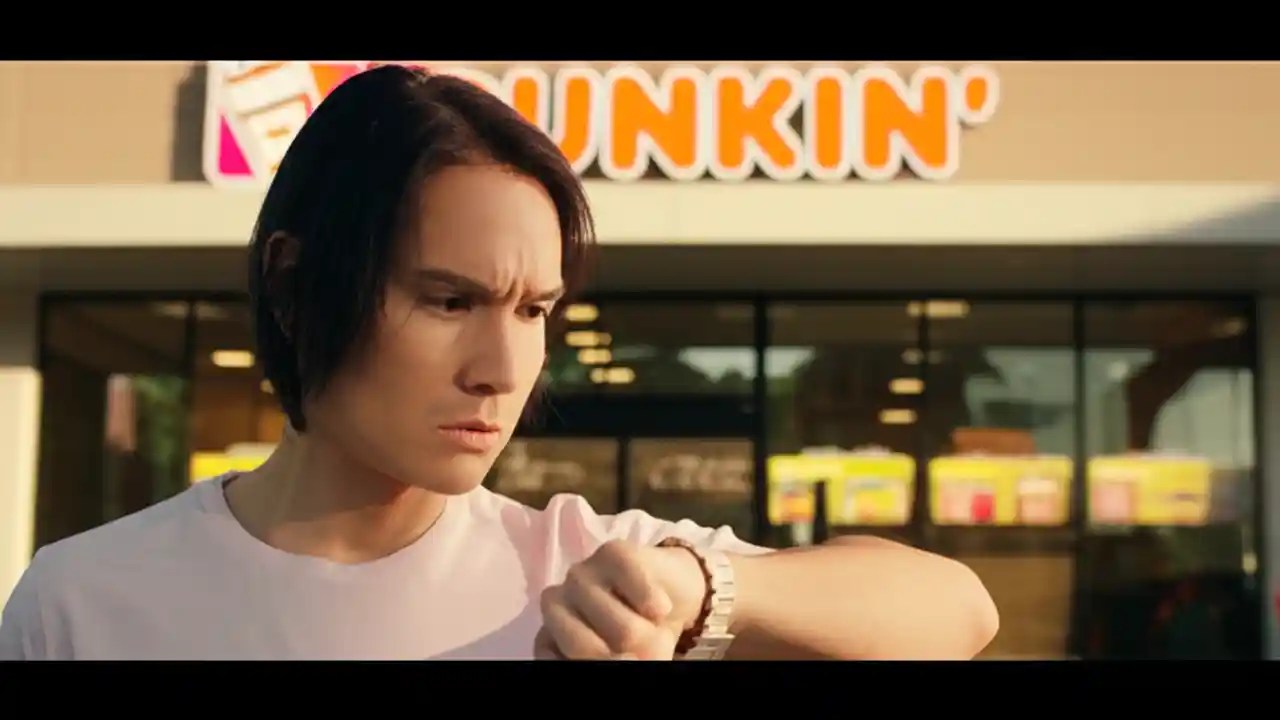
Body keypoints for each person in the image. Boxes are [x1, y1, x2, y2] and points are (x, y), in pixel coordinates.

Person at [0, 64, 999, 661]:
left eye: (535, 309)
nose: (502, 365)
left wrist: (700, 587)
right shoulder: (84, 601)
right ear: (297, 287)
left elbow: (956, 610)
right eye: (448, 300)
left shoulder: (582, 573)